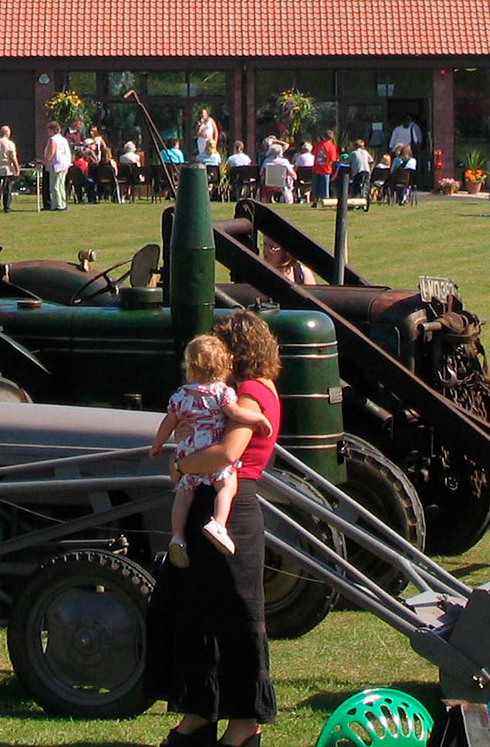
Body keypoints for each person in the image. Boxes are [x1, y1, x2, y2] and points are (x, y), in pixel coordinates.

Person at [147, 311, 281, 747]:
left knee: (236, 619)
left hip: (231, 511)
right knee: (199, 616)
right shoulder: (232, 393)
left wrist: (179, 463)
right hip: (211, 505)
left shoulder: (251, 393)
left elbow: (227, 452)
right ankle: (199, 714)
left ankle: (244, 726)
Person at [150, 335, 274, 566]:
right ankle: (218, 523)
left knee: (183, 495)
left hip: (189, 451)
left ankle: (177, 537)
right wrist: (259, 417)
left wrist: (157, 445)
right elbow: (236, 415)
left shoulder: (180, 395)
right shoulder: (222, 393)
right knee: (227, 486)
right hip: (211, 451)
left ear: (190, 366)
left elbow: (168, 423)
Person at [41, 123, 72, 211]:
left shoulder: (53, 139)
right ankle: (62, 203)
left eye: (49, 129)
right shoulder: (63, 139)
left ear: (53, 130)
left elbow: (51, 153)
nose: (47, 131)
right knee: (61, 185)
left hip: (56, 165)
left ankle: (57, 205)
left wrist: (43, 162)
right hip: (64, 165)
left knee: (54, 186)